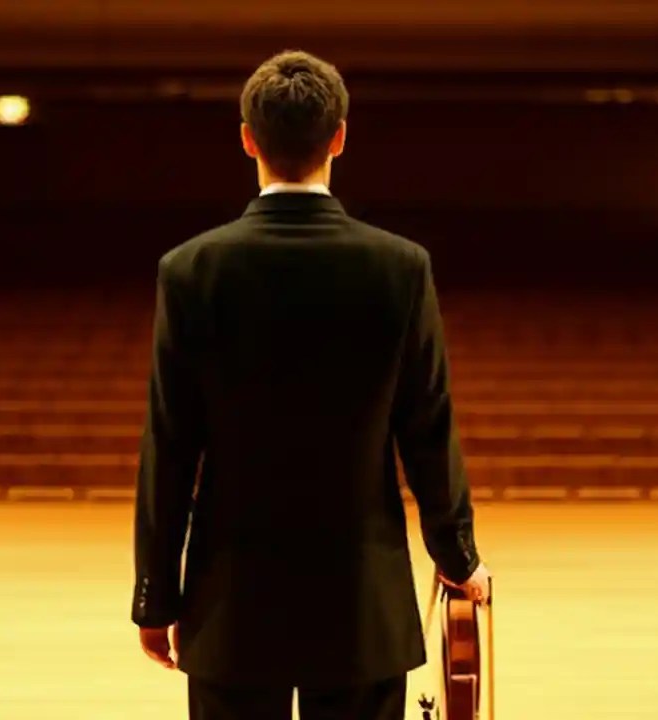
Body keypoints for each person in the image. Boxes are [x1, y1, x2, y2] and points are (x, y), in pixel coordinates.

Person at [131, 49, 491, 720]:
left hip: (229, 606)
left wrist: (156, 593)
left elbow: (171, 446)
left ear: (247, 139)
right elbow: (427, 426)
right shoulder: (401, 267)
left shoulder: (188, 270)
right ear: (340, 136)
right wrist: (458, 554)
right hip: (361, 608)